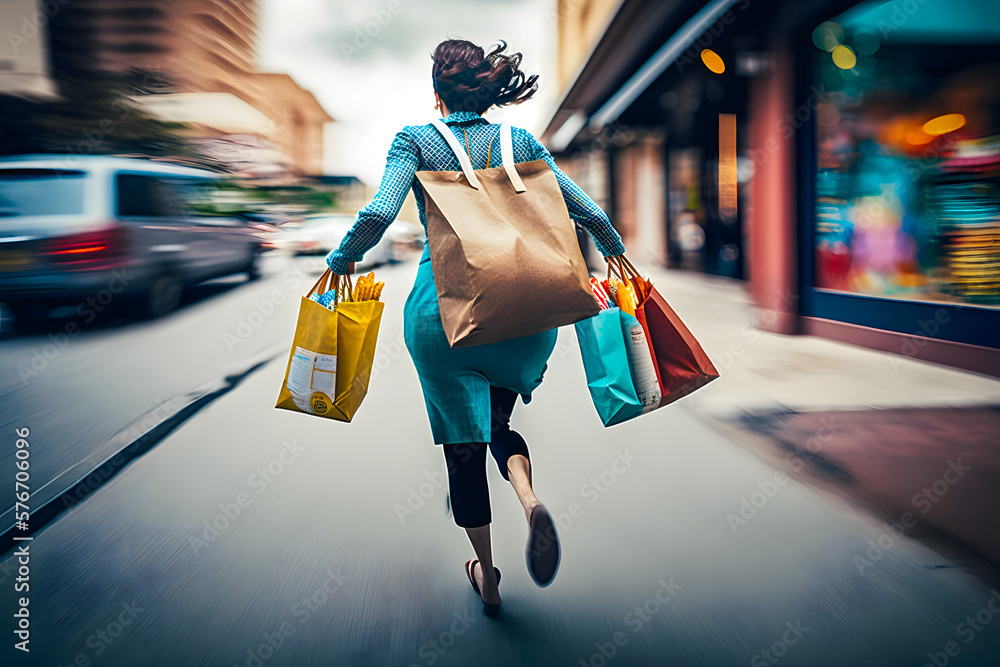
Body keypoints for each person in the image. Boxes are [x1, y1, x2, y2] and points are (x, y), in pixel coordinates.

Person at [325, 38, 626, 615]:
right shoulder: (521, 142)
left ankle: (487, 573)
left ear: (437, 94)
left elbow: (377, 213)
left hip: (443, 317)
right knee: (498, 420)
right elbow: (589, 212)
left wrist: (341, 258)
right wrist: (615, 257)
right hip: (525, 314)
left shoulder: (415, 139)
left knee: (462, 445)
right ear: (487, 91)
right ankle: (529, 495)